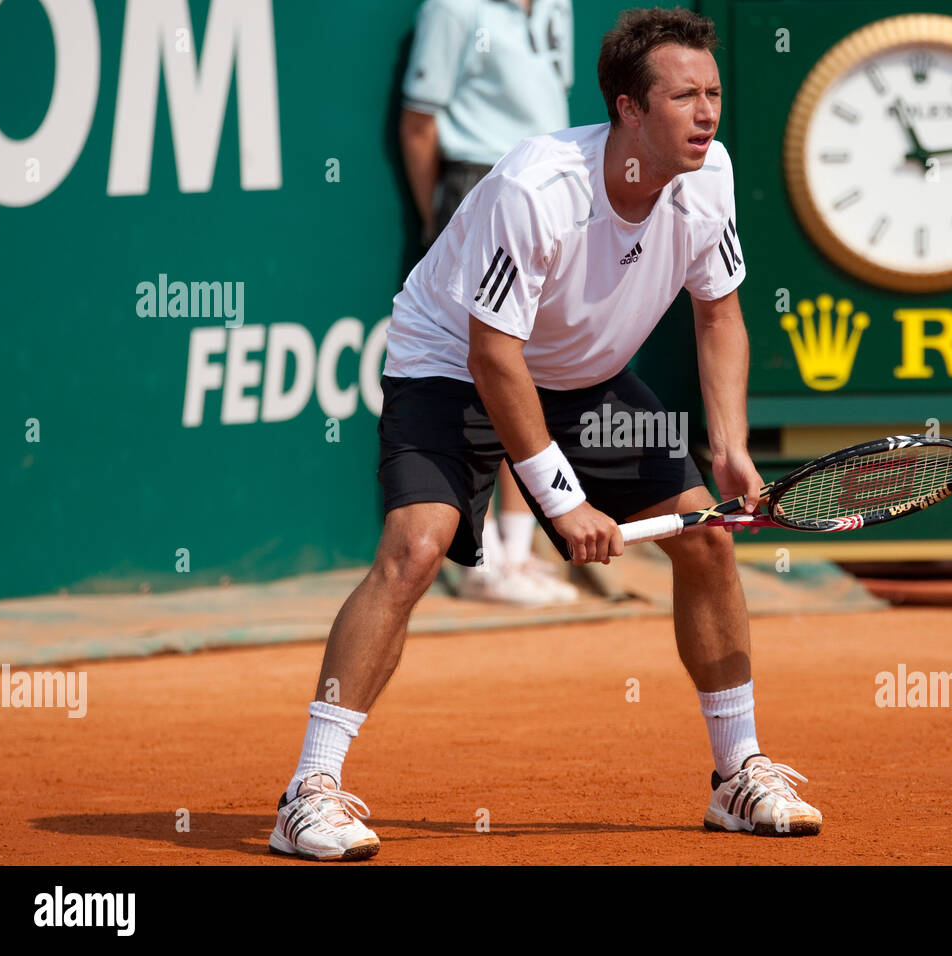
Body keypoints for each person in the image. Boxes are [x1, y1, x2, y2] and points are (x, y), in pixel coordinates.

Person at [269, 8, 822, 862]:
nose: (708, 112)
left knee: (707, 542)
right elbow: (495, 356)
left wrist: (730, 445)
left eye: (714, 93)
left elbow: (718, 315)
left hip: (582, 372)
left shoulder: (709, 179)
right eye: (685, 96)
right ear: (629, 109)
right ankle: (309, 790)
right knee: (417, 547)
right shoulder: (540, 186)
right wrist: (563, 503)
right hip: (451, 359)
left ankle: (737, 776)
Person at [397, 0, 577, 605]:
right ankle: (477, 559)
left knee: (529, 370)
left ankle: (518, 554)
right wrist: (438, 228)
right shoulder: (451, 9)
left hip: (550, 191)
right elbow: (419, 123)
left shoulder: (558, 6)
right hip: (477, 184)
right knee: (483, 374)